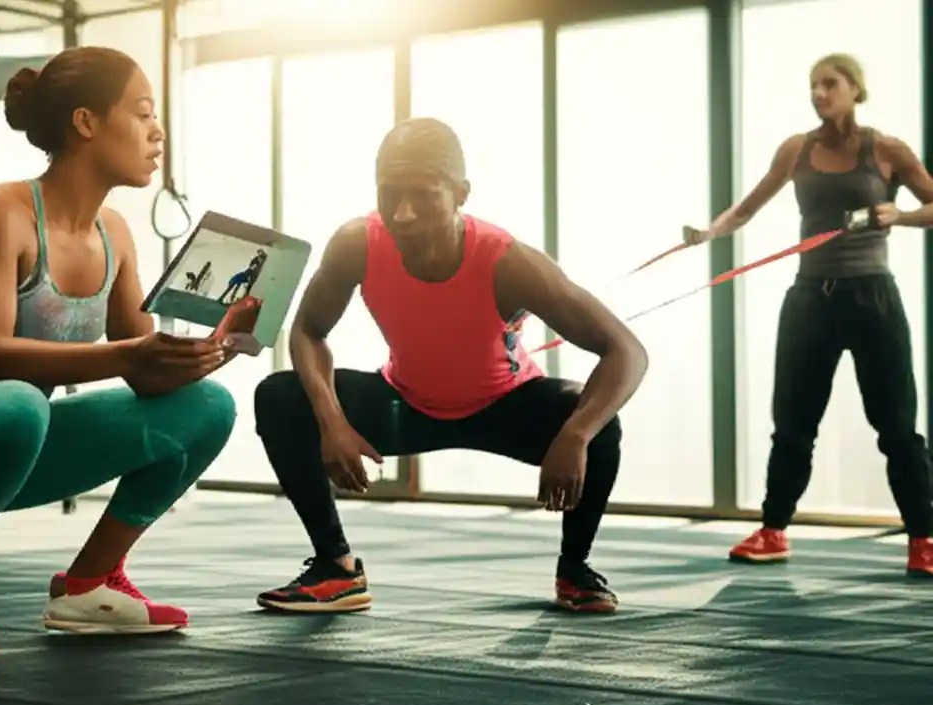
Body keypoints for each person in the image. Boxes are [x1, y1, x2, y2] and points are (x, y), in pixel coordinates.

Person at [0, 46, 238, 662]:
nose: (157, 130)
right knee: (20, 403)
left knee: (209, 406)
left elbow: (148, 376)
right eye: (142, 113)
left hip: (11, 451)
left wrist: (210, 350)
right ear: (86, 123)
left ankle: (91, 583)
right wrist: (128, 356)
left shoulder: (116, 234)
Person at [250, 117, 649, 614]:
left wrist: (575, 436)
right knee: (280, 396)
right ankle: (336, 568)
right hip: (405, 404)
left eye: (422, 195)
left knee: (598, 419)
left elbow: (626, 351)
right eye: (390, 194)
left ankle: (576, 569)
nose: (403, 213)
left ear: (461, 193)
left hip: (506, 407)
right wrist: (332, 423)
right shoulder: (357, 243)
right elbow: (309, 330)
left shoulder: (509, 262)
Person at [684, 53, 933, 577]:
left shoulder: (886, 149)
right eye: (814, 85)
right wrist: (709, 232)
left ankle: (924, 538)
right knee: (793, 424)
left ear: (854, 89)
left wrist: (902, 215)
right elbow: (746, 208)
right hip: (809, 300)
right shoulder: (796, 149)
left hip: (872, 297)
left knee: (896, 427)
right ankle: (773, 531)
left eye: (830, 84)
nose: (819, 93)